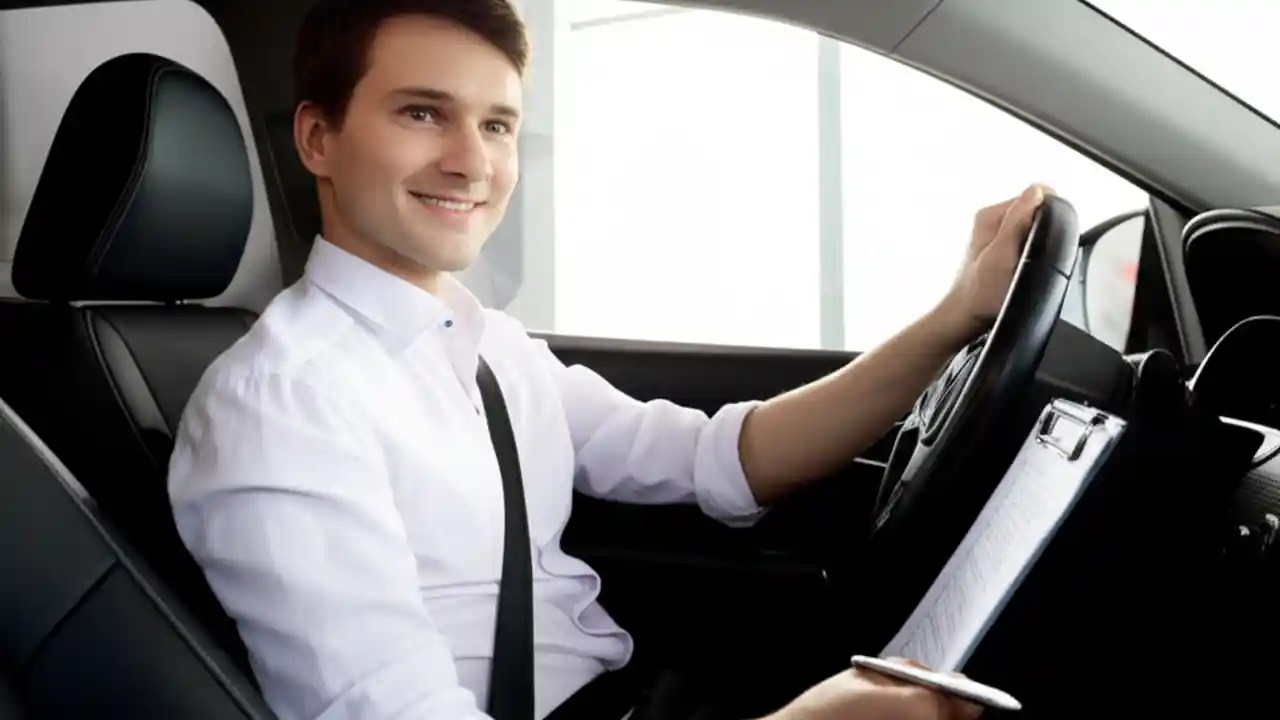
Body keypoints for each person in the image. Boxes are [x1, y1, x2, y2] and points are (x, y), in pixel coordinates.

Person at [166, 1, 1050, 718]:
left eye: (498, 125)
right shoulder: (281, 402)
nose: (473, 162)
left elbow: (720, 460)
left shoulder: (487, 345)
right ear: (318, 139)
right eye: (422, 113)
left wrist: (954, 317)